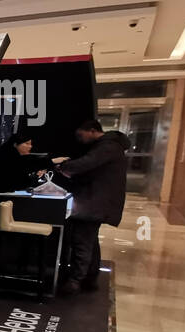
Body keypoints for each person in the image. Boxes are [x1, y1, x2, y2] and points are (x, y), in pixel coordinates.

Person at [49, 119, 130, 294]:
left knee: (82, 240)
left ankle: (75, 281)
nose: (79, 139)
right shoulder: (110, 146)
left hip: (94, 202)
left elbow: (85, 164)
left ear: (92, 131)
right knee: (90, 241)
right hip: (98, 202)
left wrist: (63, 166)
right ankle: (89, 278)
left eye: (81, 135)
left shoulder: (107, 146)